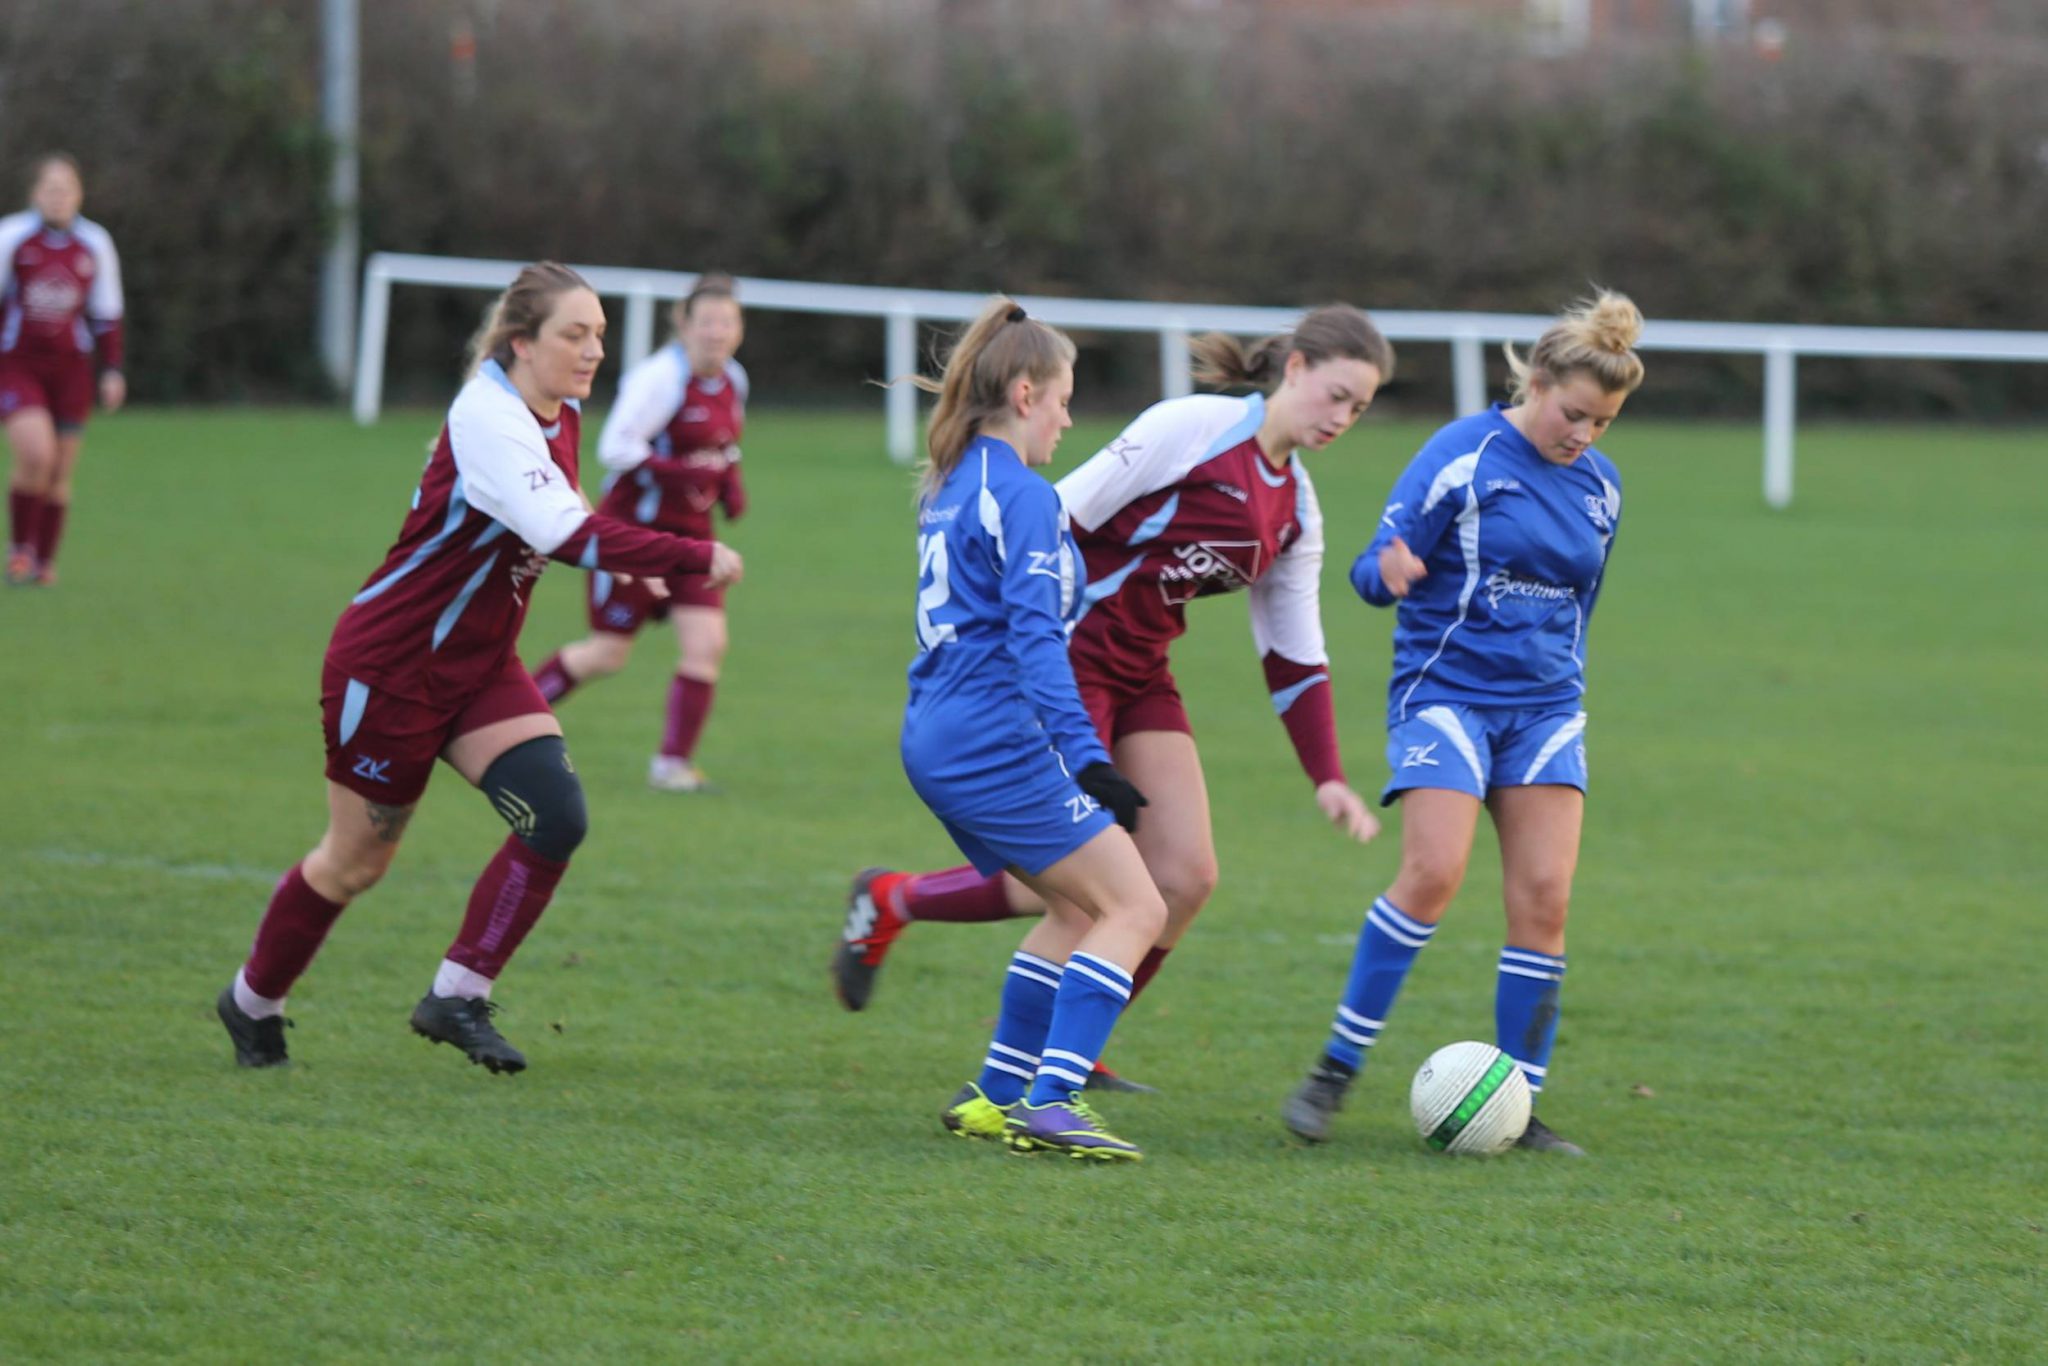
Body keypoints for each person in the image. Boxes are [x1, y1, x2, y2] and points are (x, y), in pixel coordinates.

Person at [836, 306, 1395, 1092]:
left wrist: (1328, 775)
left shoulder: (1296, 511)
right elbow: (1055, 510)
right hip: (1067, 658)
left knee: (1186, 878)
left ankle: (1068, 1052)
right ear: (1294, 369)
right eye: (1336, 394)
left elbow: (1295, 654)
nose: (1342, 417)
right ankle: (905, 910)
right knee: (1075, 886)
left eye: (1360, 408)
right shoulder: (1193, 428)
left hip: (1142, 673)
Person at [214, 262, 743, 1073]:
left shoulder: (553, 408)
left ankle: (456, 995)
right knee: (354, 863)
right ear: (521, 342)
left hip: (478, 667)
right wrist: (692, 556)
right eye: (576, 333)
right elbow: (566, 533)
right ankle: (252, 1001)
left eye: (600, 334)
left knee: (557, 816)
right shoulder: (489, 416)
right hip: (390, 668)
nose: (594, 350)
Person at [1279, 290, 1644, 1156]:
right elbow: (1371, 568)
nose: (1584, 435)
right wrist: (1391, 571)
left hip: (1546, 710)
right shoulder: (1462, 454)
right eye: (1573, 413)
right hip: (1445, 694)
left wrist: (1558, 690)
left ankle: (1519, 1108)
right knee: (1434, 873)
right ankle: (1333, 1071)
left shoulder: (1602, 488)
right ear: (1538, 381)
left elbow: (1582, 607)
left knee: (1545, 902)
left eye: (1603, 423)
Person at [903, 296, 1167, 1160]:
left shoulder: (952, 485)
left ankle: (995, 1093)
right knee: (1137, 904)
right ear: (1023, 393)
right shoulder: (1022, 496)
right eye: (1062, 397)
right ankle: (1054, 1103)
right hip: (991, 739)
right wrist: (1089, 760)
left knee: (1069, 905)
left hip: (936, 732)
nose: (1066, 415)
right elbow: (1035, 641)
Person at [529, 274, 748, 792]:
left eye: (727, 322)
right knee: (607, 653)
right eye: (707, 322)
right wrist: (682, 472)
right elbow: (615, 449)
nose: (717, 332)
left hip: (694, 539)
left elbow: (723, 444)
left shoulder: (734, 380)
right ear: (684, 325)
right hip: (635, 537)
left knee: (707, 645)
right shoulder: (660, 378)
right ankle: (499, 723)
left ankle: (671, 765)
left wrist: (730, 482)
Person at [1, 153, 125, 587]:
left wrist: (112, 369)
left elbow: (107, 312)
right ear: (36, 194)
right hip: (18, 365)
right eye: (50, 189)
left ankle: (44, 562)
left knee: (58, 474)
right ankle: (20, 550)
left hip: (71, 371)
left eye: (66, 189)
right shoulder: (12, 237)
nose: (59, 197)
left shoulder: (95, 242)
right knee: (36, 454)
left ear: (79, 194)